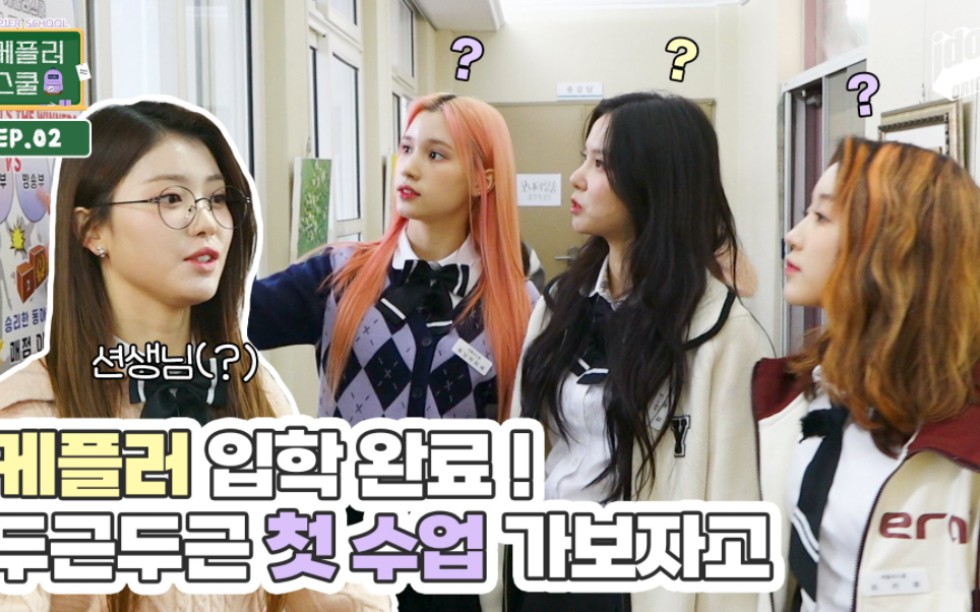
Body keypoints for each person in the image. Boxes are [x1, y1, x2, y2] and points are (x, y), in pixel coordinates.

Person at [0, 99, 390, 612]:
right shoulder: (31, 416)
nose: (206, 222)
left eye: (217, 198)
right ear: (91, 230)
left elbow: (323, 578)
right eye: (170, 198)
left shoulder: (253, 388)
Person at [249, 93, 536, 612]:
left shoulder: (523, 306)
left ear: (483, 180)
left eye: (435, 154)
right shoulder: (339, 276)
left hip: (449, 558)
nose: (409, 167)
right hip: (343, 550)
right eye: (406, 148)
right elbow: (227, 318)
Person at [502, 91, 772, 612]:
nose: (577, 178)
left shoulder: (723, 334)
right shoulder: (559, 307)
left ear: (655, 181)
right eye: (583, 158)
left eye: (600, 164)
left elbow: (731, 511)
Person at [754, 137, 980, 611]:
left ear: (890, 245)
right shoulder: (795, 393)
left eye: (821, 216)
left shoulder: (964, 436)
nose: (793, 235)